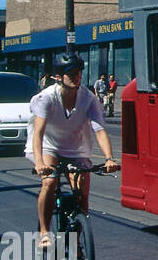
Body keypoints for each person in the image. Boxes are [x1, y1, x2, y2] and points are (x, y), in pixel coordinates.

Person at [30, 53, 119, 248]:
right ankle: (44, 232)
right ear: (58, 76)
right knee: (50, 181)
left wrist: (109, 158)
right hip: (49, 145)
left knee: (81, 193)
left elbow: (100, 130)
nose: (76, 77)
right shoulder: (46, 98)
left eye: (78, 73)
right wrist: (39, 163)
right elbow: (38, 133)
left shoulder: (88, 99)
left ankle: (75, 244)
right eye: (70, 73)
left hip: (76, 149)